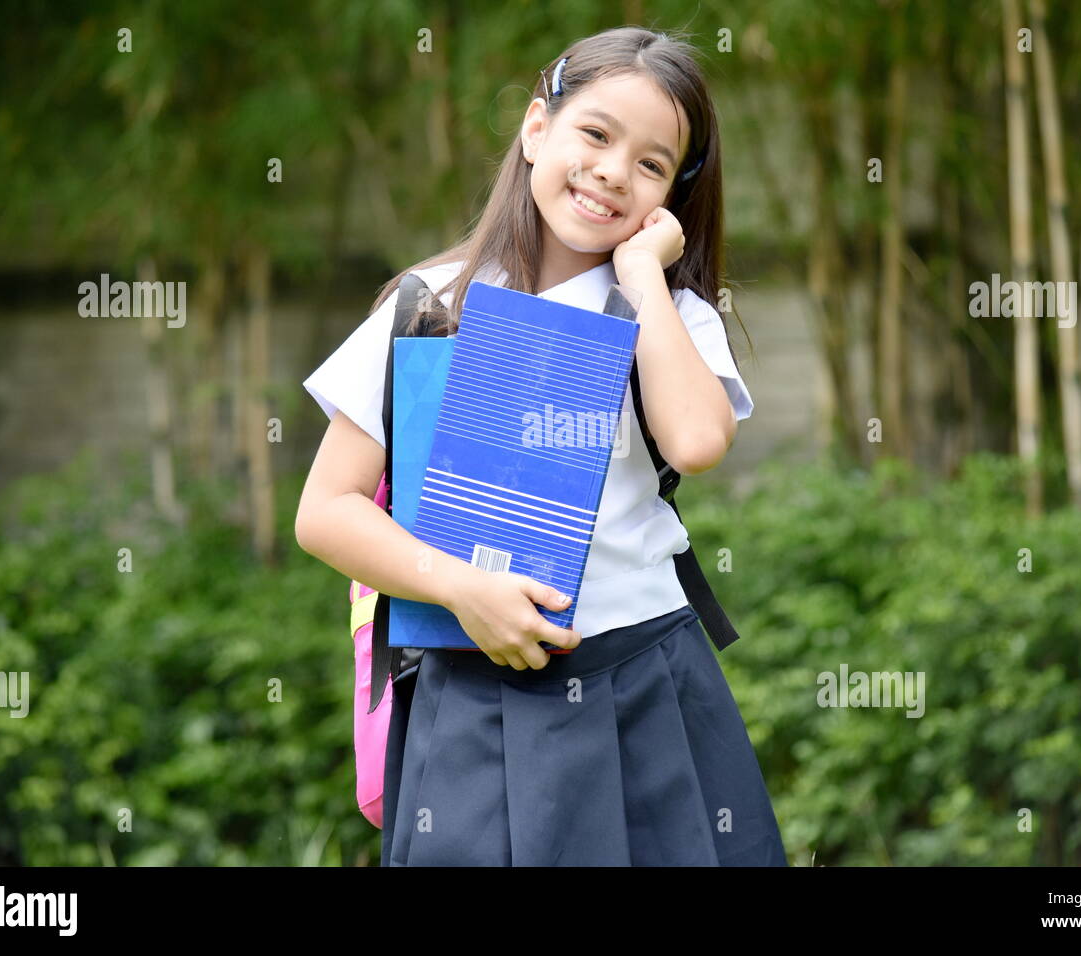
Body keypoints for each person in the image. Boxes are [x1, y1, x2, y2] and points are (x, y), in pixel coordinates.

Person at [296, 26, 787, 866]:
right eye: (595, 135)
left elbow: (700, 440)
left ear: (670, 197)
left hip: (647, 680)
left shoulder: (663, 316)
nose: (610, 172)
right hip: (469, 694)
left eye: (651, 163)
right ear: (535, 130)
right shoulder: (428, 306)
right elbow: (325, 512)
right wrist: (463, 589)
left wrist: (642, 280)